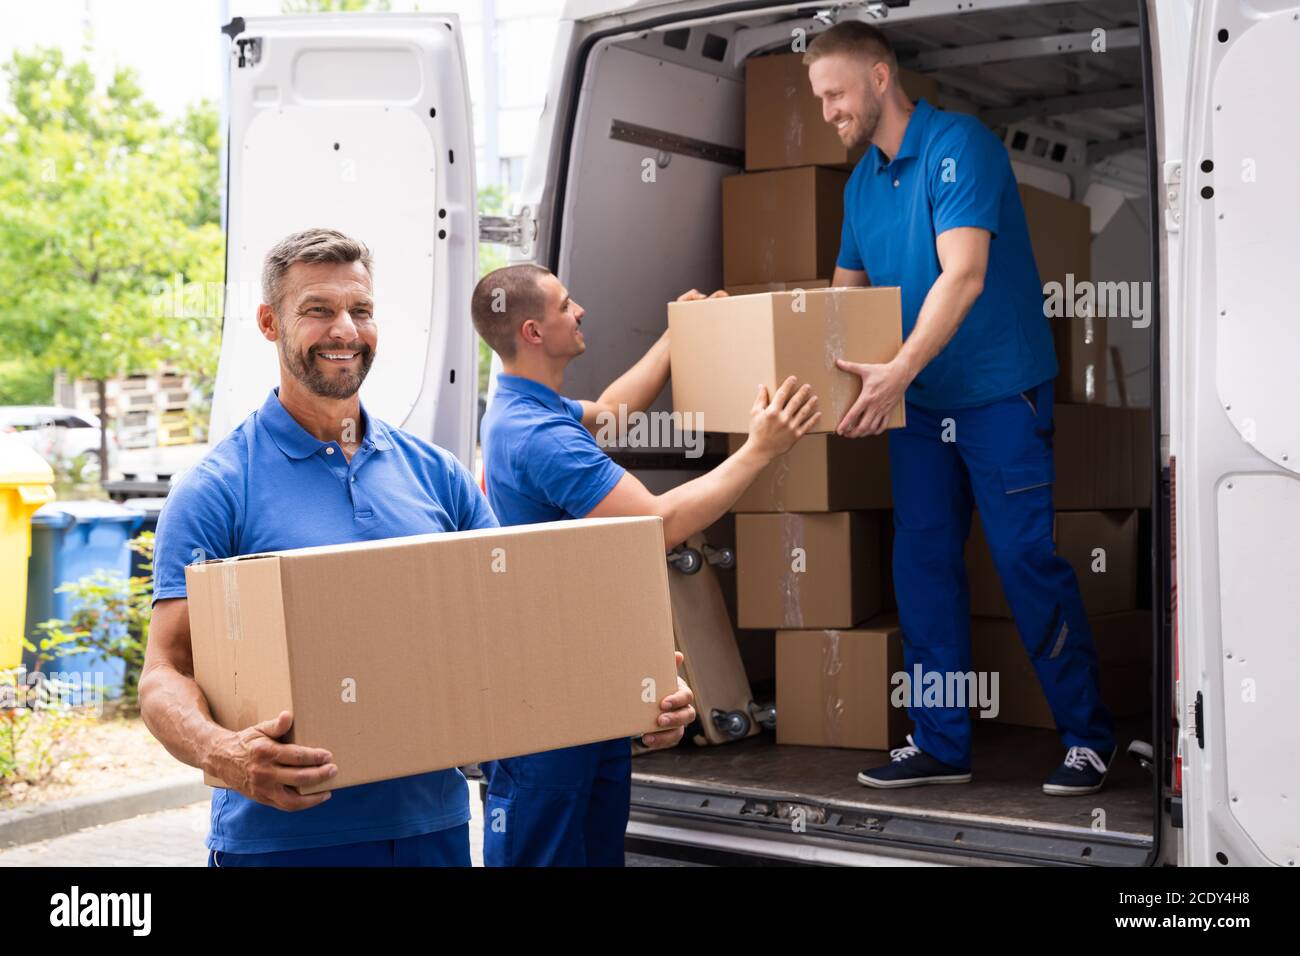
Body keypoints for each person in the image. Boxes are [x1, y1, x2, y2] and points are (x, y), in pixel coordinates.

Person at [140, 229, 699, 867]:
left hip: (432, 833)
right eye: (318, 310)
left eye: (362, 310)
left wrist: (630, 698)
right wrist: (226, 756)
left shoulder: (437, 476)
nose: (345, 330)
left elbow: (514, 638)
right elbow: (164, 673)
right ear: (270, 323)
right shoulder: (216, 490)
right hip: (283, 843)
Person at [805, 22, 1116, 795]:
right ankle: (941, 740)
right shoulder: (860, 186)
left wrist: (897, 373)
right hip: (917, 404)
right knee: (924, 569)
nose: (827, 114)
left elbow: (964, 274)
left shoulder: (960, 145)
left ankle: (1088, 739)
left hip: (995, 392)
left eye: (836, 94)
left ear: (881, 77)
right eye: (818, 100)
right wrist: (759, 341)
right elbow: (843, 301)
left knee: (1023, 561)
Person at [472, 264, 820, 864]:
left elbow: (611, 411)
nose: (580, 311)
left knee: (596, 844)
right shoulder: (540, 437)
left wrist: (673, 335)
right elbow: (655, 523)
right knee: (549, 847)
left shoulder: (527, 404)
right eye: (565, 305)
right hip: (550, 696)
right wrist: (761, 449)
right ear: (532, 331)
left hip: (583, 676)